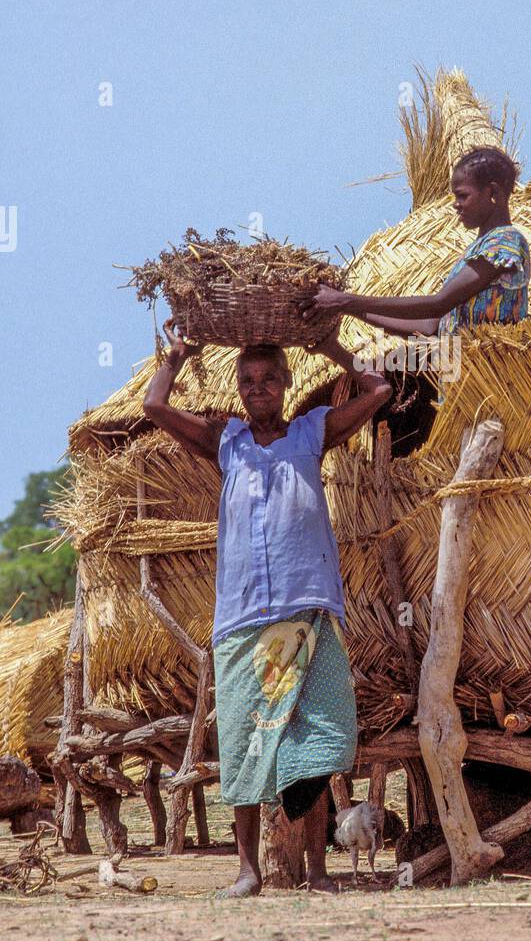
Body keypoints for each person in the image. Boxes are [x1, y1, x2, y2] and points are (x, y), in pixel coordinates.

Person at [143, 319, 391, 896]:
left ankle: (319, 870)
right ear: (239, 388)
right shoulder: (224, 440)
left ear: (284, 383)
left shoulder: (311, 433)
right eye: (248, 380)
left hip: (308, 608)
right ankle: (248, 870)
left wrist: (330, 347)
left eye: (268, 379)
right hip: (243, 616)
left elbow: (377, 391)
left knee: (321, 736)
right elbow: (155, 406)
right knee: (244, 742)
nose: (258, 389)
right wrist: (178, 355)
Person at [300, 146, 530, 398]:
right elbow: (430, 325)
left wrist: (347, 300)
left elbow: (437, 305)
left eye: (463, 196)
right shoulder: (478, 251)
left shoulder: (506, 243)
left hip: (492, 388)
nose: (456, 205)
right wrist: (349, 308)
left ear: (493, 192)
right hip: (463, 395)